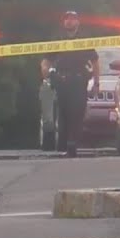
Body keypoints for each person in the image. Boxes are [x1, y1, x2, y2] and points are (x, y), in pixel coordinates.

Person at [42, 10, 98, 157]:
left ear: (78, 22)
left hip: (79, 81)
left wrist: (97, 82)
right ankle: (64, 145)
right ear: (63, 22)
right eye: (67, 19)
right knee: (64, 113)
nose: (69, 21)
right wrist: (46, 72)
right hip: (62, 81)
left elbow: (95, 61)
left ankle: (72, 143)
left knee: (77, 112)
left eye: (72, 19)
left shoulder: (84, 39)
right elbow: (46, 59)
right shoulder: (57, 39)